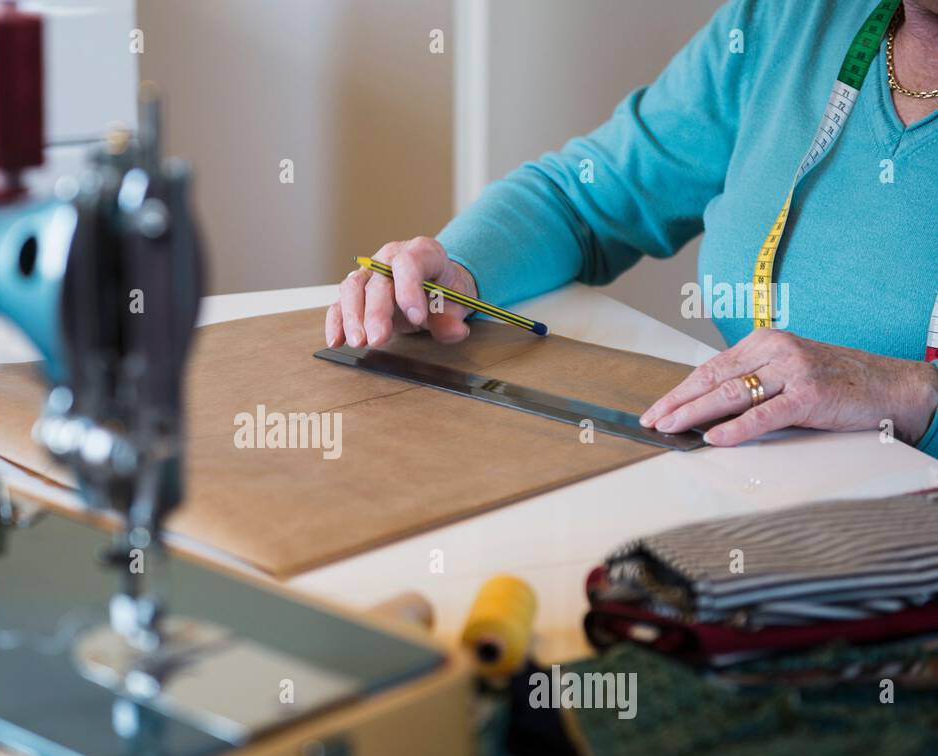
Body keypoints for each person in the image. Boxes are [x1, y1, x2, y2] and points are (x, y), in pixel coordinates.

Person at [326, 0, 938, 452]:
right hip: (757, 505)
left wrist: (909, 391)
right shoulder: (784, 23)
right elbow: (582, 196)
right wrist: (456, 270)